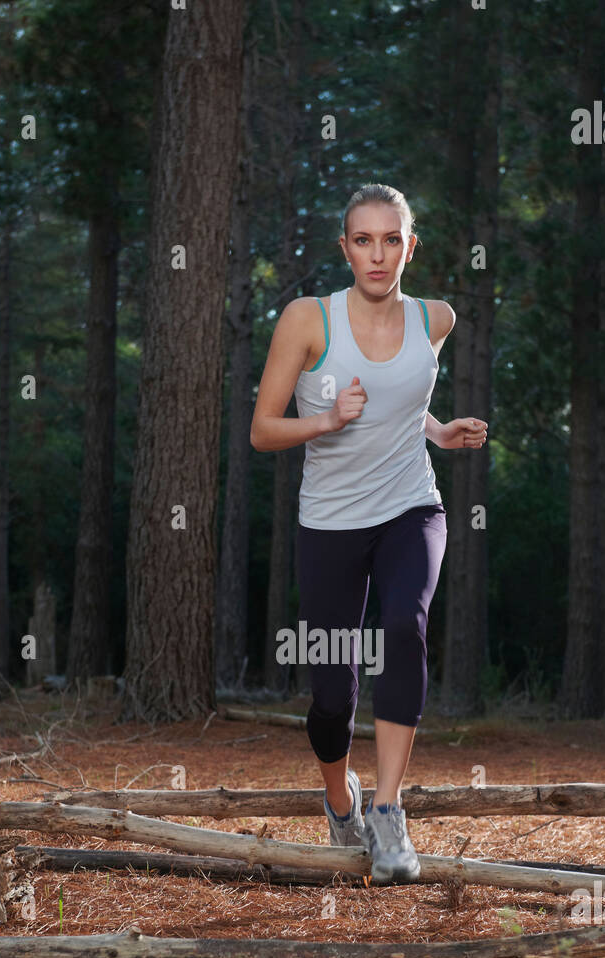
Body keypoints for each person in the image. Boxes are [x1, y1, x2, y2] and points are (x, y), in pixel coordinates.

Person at [250, 183, 488, 883]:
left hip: (412, 506)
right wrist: (326, 421)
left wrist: (440, 432)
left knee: (404, 624)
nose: (378, 255)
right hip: (330, 522)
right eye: (363, 240)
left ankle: (387, 811)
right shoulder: (307, 321)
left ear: (410, 247)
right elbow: (263, 430)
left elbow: (405, 399)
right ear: (345, 249)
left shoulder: (436, 319)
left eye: (392, 240)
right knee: (332, 697)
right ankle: (340, 798)